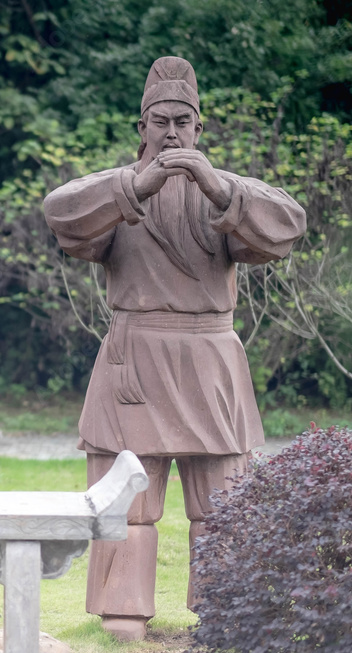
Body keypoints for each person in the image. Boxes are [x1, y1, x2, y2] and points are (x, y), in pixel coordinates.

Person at [43, 56, 306, 642]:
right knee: (128, 500)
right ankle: (122, 613)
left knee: (224, 504)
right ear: (141, 127)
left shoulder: (225, 196)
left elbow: (287, 224)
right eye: (158, 121)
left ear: (199, 128)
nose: (170, 133)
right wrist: (134, 186)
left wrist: (217, 185)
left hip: (209, 359)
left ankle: (226, 611)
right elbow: (60, 213)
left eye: (181, 122)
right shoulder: (118, 194)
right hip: (134, 357)